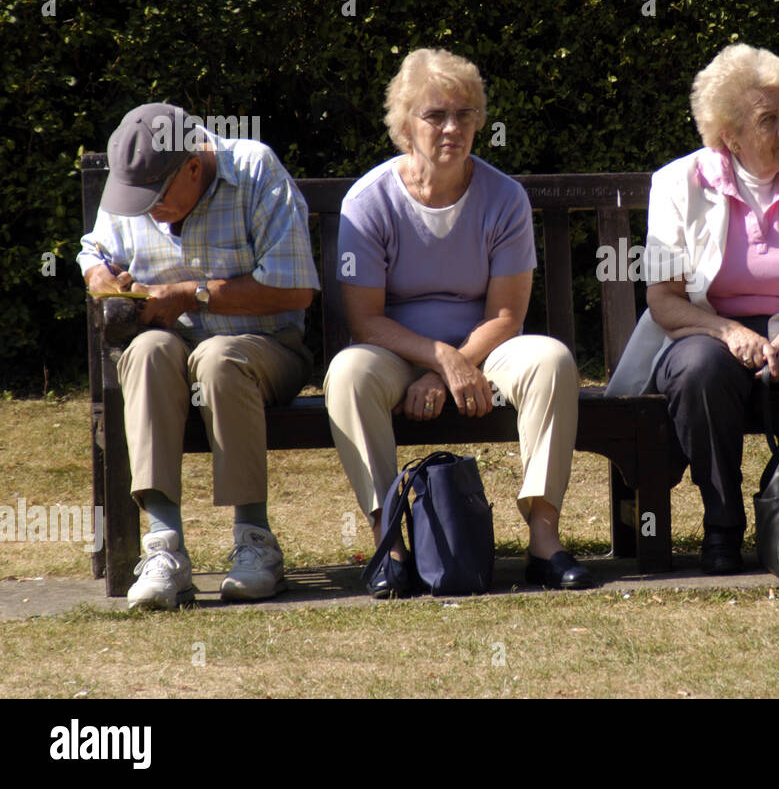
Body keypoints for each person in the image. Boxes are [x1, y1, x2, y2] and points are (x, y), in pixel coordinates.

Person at [607, 44, 779, 574]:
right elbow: (663, 299)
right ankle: (722, 526)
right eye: (770, 120)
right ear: (728, 136)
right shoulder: (676, 184)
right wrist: (728, 331)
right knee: (699, 371)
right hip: (705, 328)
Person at [324, 48, 592, 593]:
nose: (453, 127)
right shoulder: (369, 201)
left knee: (552, 360)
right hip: (396, 351)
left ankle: (544, 541)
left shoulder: (504, 198)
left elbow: (506, 315)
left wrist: (452, 366)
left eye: (465, 114)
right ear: (404, 126)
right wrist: (439, 360)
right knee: (348, 373)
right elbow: (364, 320)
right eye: (435, 115)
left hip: (484, 351)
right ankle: (389, 547)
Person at [78, 103, 319, 609]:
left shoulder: (255, 168)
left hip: (267, 348)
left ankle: (255, 543)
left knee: (218, 358)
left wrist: (191, 295)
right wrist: (99, 276)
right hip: (169, 355)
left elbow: (296, 289)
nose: (145, 210)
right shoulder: (135, 176)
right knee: (145, 352)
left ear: (193, 165)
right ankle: (164, 550)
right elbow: (95, 249)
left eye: (157, 198)